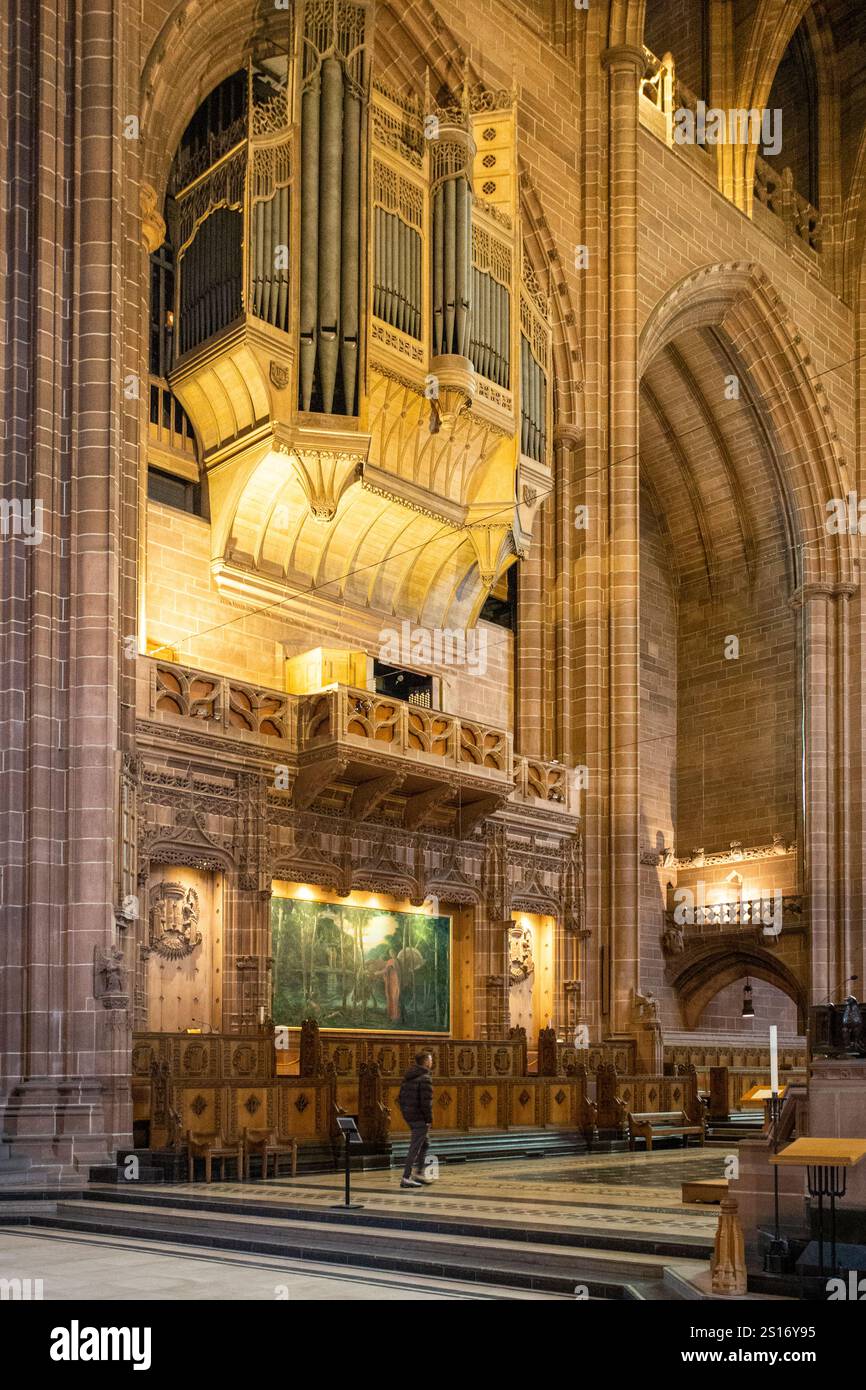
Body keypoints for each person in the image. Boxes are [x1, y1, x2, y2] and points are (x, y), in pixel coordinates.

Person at [397, 1051, 436, 1188]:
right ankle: (406, 1177)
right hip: (419, 1117)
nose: (432, 1063)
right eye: (430, 1060)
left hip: (410, 1115)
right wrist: (428, 1120)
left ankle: (418, 1173)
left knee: (425, 1143)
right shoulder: (425, 1078)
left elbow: (399, 1098)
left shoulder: (409, 1076)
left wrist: (407, 1113)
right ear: (426, 1062)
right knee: (415, 1147)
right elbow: (426, 1103)